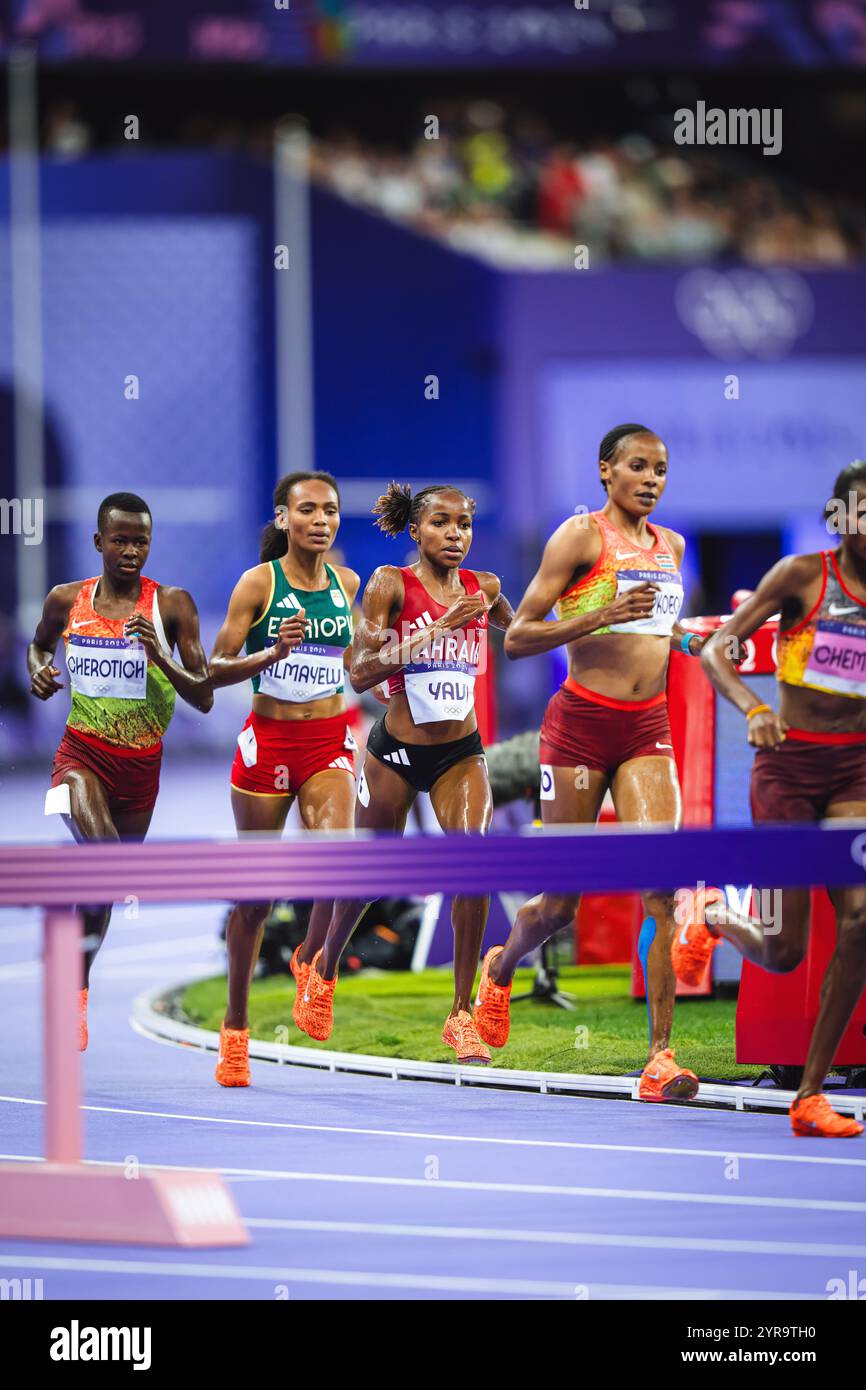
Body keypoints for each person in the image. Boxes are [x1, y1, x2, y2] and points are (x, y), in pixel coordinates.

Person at [473, 423, 709, 1101]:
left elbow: (655, 629)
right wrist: (600, 614)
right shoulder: (579, 537)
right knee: (561, 905)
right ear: (606, 471)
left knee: (660, 889)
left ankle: (660, 1059)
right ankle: (500, 967)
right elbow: (519, 636)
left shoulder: (673, 546)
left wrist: (690, 639)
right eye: (638, 466)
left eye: (660, 469)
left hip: (647, 729)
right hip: (578, 729)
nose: (651, 480)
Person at [675, 460, 866, 1138]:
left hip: (855, 775)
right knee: (785, 951)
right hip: (787, 771)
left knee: (860, 921)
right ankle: (711, 917)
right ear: (838, 517)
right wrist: (754, 708)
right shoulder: (801, 576)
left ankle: (811, 1095)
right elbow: (715, 651)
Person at [298, 482, 514, 1063]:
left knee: (475, 863)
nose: (455, 534)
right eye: (441, 523)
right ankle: (324, 968)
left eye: (464, 524)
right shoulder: (390, 584)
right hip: (393, 750)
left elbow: (519, 637)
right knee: (370, 878)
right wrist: (441, 627)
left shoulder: (486, 588)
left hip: (459, 753)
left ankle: (461, 1014)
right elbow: (361, 673)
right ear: (416, 531)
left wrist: (588, 622)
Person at [28, 492, 212, 1049]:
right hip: (79, 757)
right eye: (120, 541)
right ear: (99, 542)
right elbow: (39, 648)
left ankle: (74, 986)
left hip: (140, 772)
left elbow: (204, 697)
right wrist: (39, 671)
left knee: (105, 885)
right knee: (106, 858)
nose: (131, 551)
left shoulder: (172, 605)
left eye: (141, 542)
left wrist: (162, 657)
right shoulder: (66, 599)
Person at [207, 471, 360, 1086]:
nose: (321, 520)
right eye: (308, 510)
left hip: (327, 742)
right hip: (268, 746)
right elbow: (215, 669)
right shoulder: (258, 584)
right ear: (283, 519)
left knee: (341, 864)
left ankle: (316, 965)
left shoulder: (348, 584)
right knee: (255, 901)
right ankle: (235, 1029)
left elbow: (361, 663)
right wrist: (271, 653)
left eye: (330, 510)